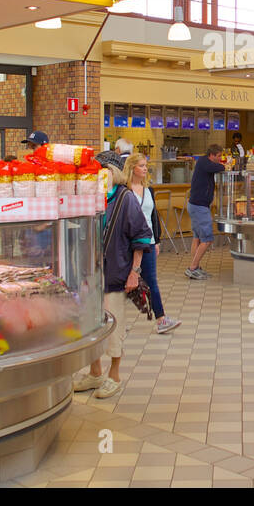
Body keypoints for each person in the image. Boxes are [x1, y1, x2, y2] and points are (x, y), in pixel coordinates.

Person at [72, 164, 151, 398]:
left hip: (115, 273)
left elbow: (141, 236)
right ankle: (95, 373)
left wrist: (134, 272)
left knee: (113, 326)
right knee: (89, 325)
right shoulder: (91, 198)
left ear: (112, 173)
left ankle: (114, 375)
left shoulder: (126, 199)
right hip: (88, 274)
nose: (95, 177)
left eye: (100, 172)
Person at [122, 153, 181, 334]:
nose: (145, 168)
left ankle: (161, 319)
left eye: (146, 165)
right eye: (141, 165)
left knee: (151, 281)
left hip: (148, 241)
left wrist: (157, 240)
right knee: (123, 283)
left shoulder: (149, 190)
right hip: (127, 244)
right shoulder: (124, 190)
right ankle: (114, 318)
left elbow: (153, 216)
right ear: (132, 168)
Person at [185, 144, 226, 280]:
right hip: (199, 207)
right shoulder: (204, 162)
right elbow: (219, 167)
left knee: (197, 237)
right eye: (219, 156)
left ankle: (195, 267)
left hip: (195, 205)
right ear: (212, 155)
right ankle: (192, 268)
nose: (220, 158)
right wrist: (225, 165)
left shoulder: (203, 161)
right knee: (207, 239)